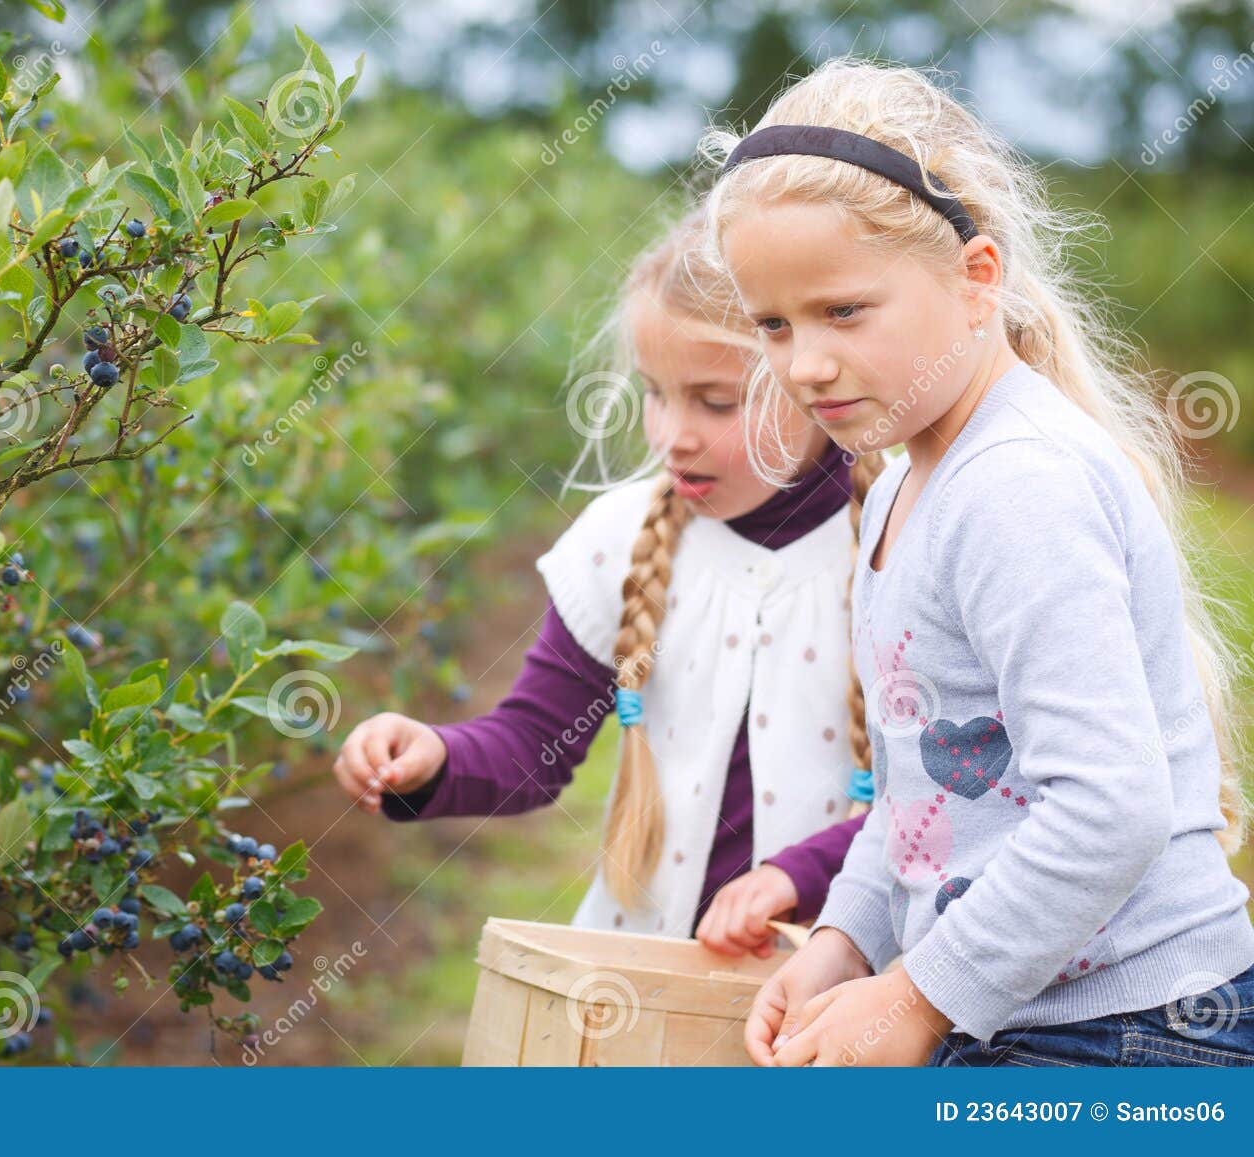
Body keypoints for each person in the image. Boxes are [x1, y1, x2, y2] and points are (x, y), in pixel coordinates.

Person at [703, 57, 1254, 1065]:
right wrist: (846, 938)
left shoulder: (1015, 487)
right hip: (1017, 1011)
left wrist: (916, 997)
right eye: (773, 324)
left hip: (1130, 1030)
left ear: (977, 279)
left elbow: (1110, 806)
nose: (805, 364)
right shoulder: (900, 491)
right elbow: (921, 790)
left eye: (843, 311)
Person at [332, 210, 878, 954]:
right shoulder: (618, 540)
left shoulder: (902, 544)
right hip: (631, 973)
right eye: (655, 393)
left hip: (822, 987)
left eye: (716, 401)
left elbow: (939, 805)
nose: (672, 435)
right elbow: (534, 745)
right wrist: (435, 756)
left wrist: (800, 874)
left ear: (817, 375)